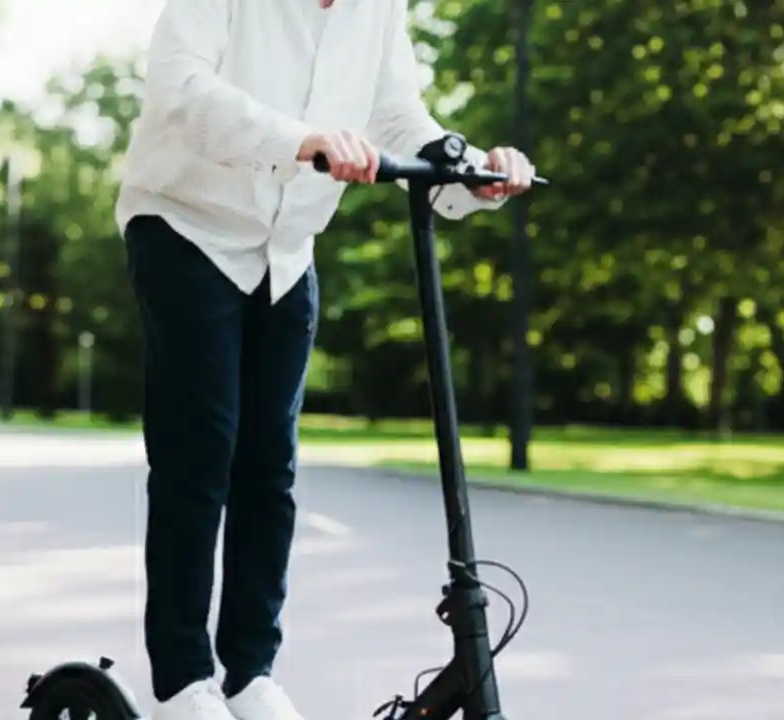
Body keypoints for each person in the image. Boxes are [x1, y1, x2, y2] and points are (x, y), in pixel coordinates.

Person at [117, 0, 535, 718]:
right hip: (186, 226)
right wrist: (301, 140)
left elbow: (401, 120)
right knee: (201, 455)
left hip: (285, 251)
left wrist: (471, 173)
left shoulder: (376, 11)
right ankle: (183, 680)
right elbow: (182, 92)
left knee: (270, 470)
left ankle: (251, 674)